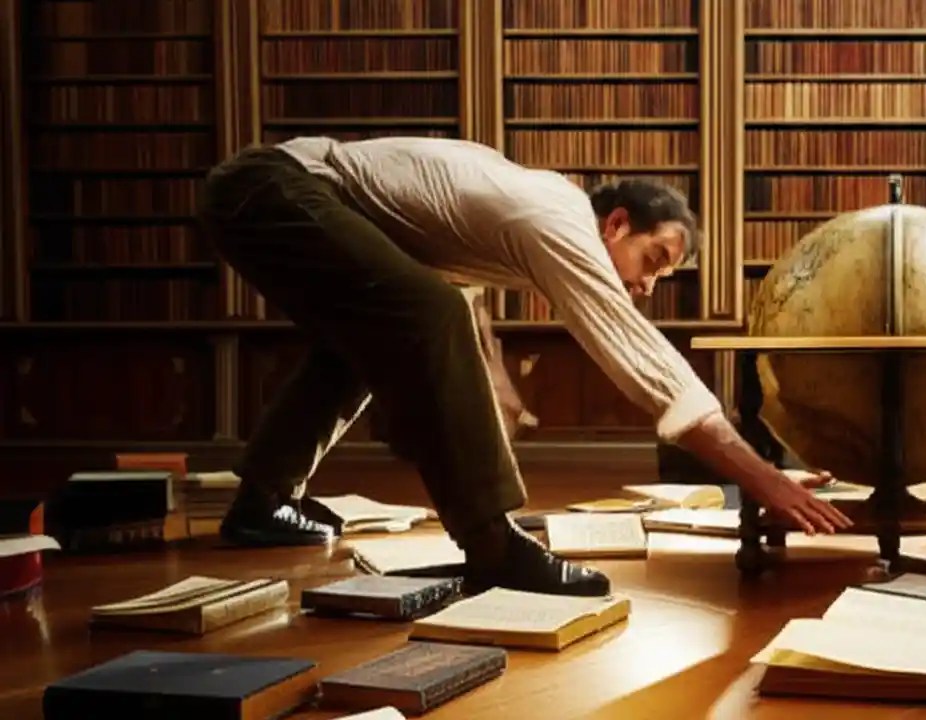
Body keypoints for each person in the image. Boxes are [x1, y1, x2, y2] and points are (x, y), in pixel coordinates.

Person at [196, 136, 853, 598]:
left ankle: (261, 504)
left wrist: (501, 387)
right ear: (617, 224)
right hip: (270, 190)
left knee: (371, 339)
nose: (650, 286)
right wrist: (761, 477)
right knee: (423, 315)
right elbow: (642, 358)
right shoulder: (558, 219)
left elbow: (464, 300)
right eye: (654, 260)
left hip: (263, 194)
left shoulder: (528, 202)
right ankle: (493, 546)